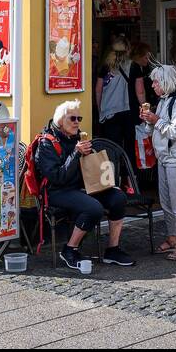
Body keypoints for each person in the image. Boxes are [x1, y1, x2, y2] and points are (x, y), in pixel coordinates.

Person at [33, 100, 135, 270]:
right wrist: (76, 153)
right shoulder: (46, 144)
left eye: (79, 118)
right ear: (60, 120)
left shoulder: (78, 137)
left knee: (118, 198)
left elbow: (87, 169)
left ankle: (112, 249)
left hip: (81, 187)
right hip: (56, 191)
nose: (77, 123)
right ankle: (69, 249)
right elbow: (58, 178)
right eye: (72, 118)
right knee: (93, 208)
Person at [140, 64, 176, 261]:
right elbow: (155, 131)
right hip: (164, 159)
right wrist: (149, 122)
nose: (153, 86)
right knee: (166, 202)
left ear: (166, 82)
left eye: (156, 82)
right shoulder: (164, 101)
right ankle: (173, 239)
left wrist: (156, 120)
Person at [94, 45, 134, 157]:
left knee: (112, 145)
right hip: (127, 109)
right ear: (126, 50)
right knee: (129, 144)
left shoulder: (105, 67)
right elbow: (140, 89)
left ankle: (114, 171)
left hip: (109, 111)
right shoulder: (131, 66)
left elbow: (98, 90)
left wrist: (100, 109)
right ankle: (128, 172)